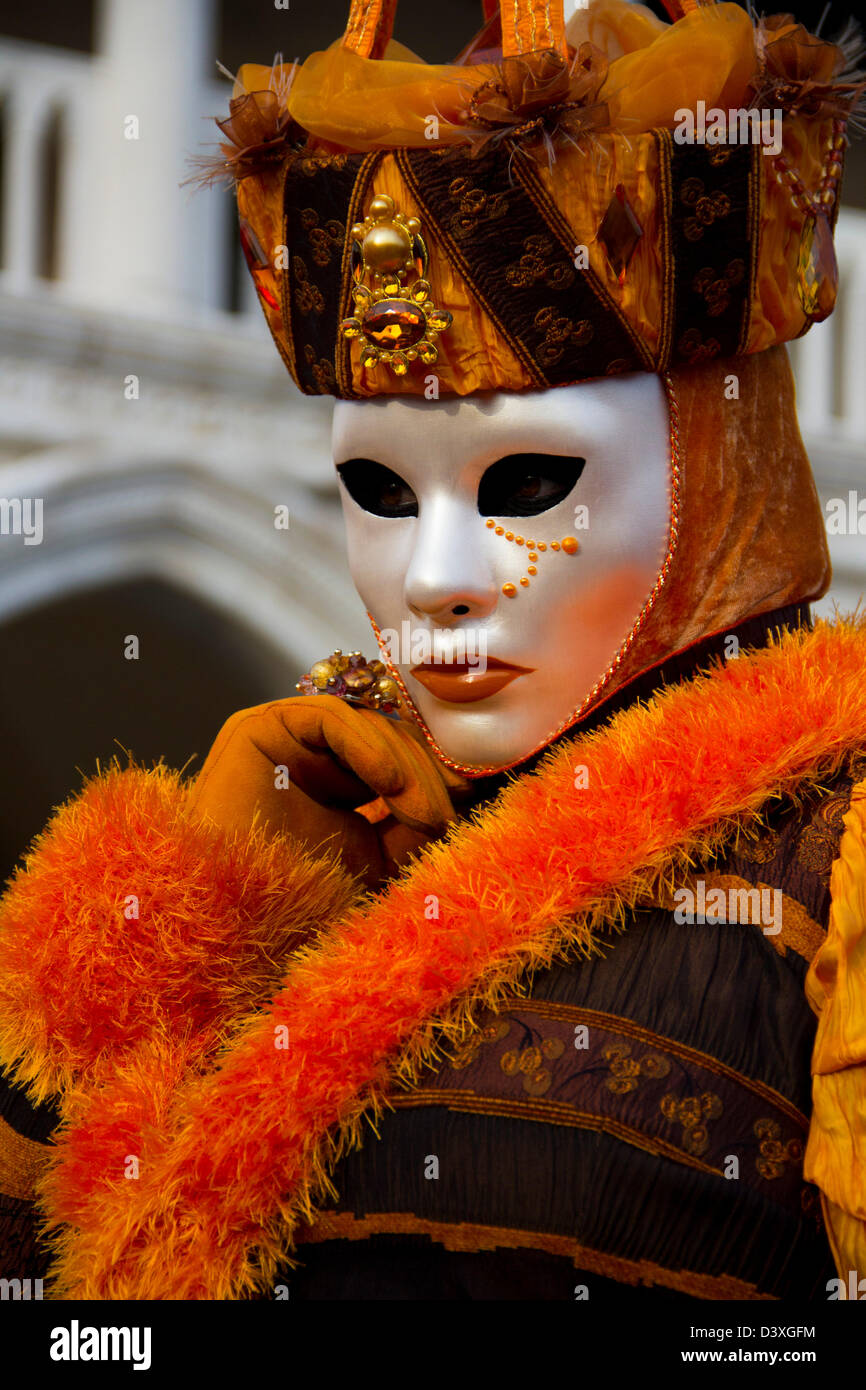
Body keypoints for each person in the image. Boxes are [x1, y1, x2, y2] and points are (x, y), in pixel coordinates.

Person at [1, 0, 865, 1301]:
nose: (437, 579)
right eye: (381, 495)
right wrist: (175, 958)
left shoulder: (833, 855)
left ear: (716, 490)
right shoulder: (322, 822)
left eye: (527, 482)